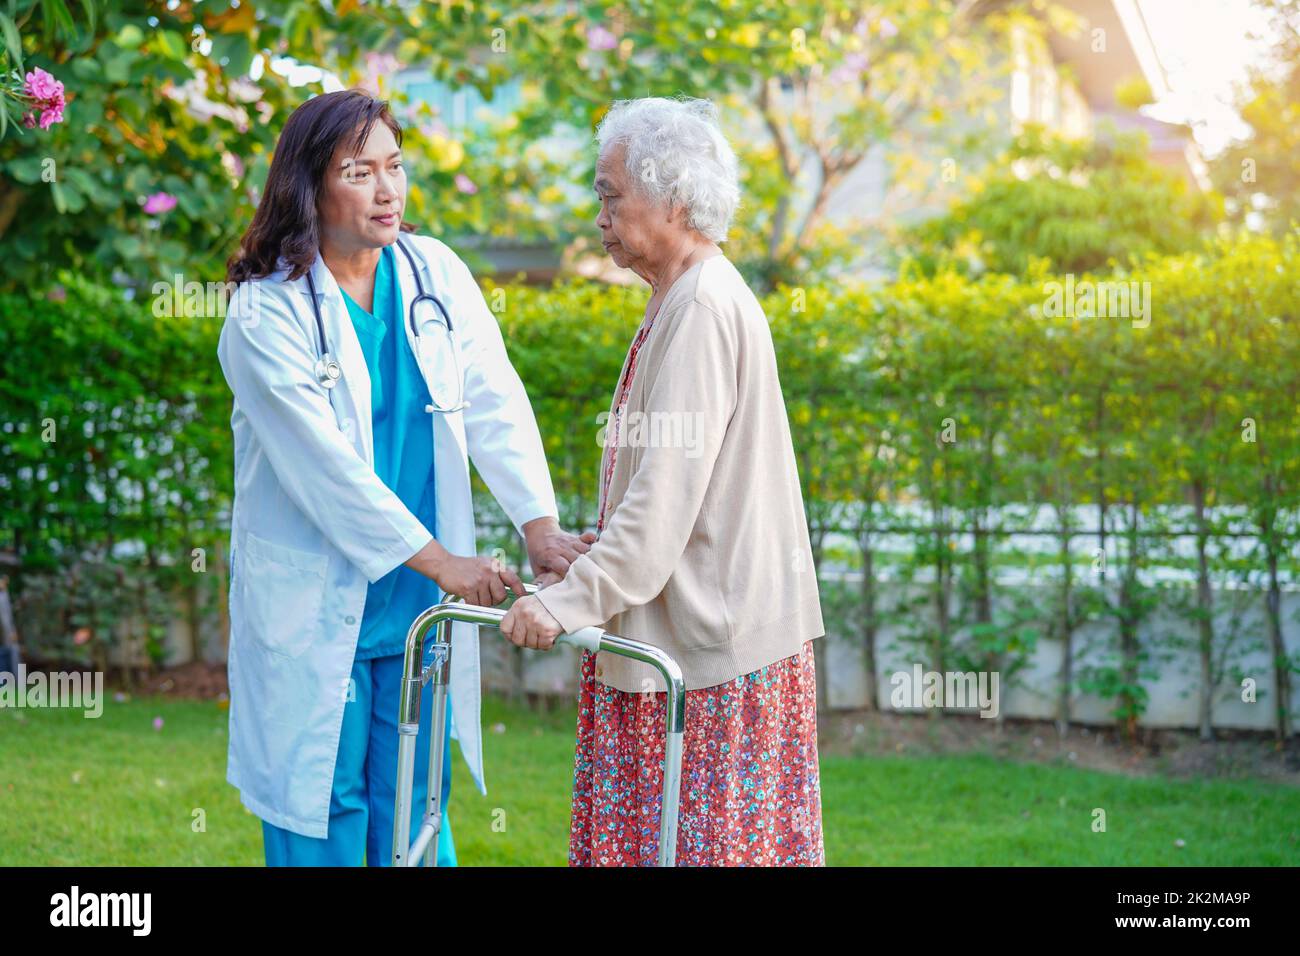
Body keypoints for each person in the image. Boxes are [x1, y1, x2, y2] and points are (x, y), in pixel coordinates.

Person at [219, 89, 592, 866]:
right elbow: (326, 473)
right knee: (324, 805)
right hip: (322, 599)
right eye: (360, 171)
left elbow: (494, 399)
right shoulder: (266, 317)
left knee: (414, 802)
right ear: (310, 187)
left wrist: (539, 524)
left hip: (417, 605)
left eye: (395, 166)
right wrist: (446, 564)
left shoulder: (434, 274)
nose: (388, 190)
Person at [501, 96, 826, 866]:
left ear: (674, 197)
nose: (600, 214)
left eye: (612, 194)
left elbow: (661, 510)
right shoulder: (680, 298)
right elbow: (667, 497)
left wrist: (563, 604)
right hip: (700, 648)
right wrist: (595, 557)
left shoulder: (702, 308)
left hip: (710, 666)